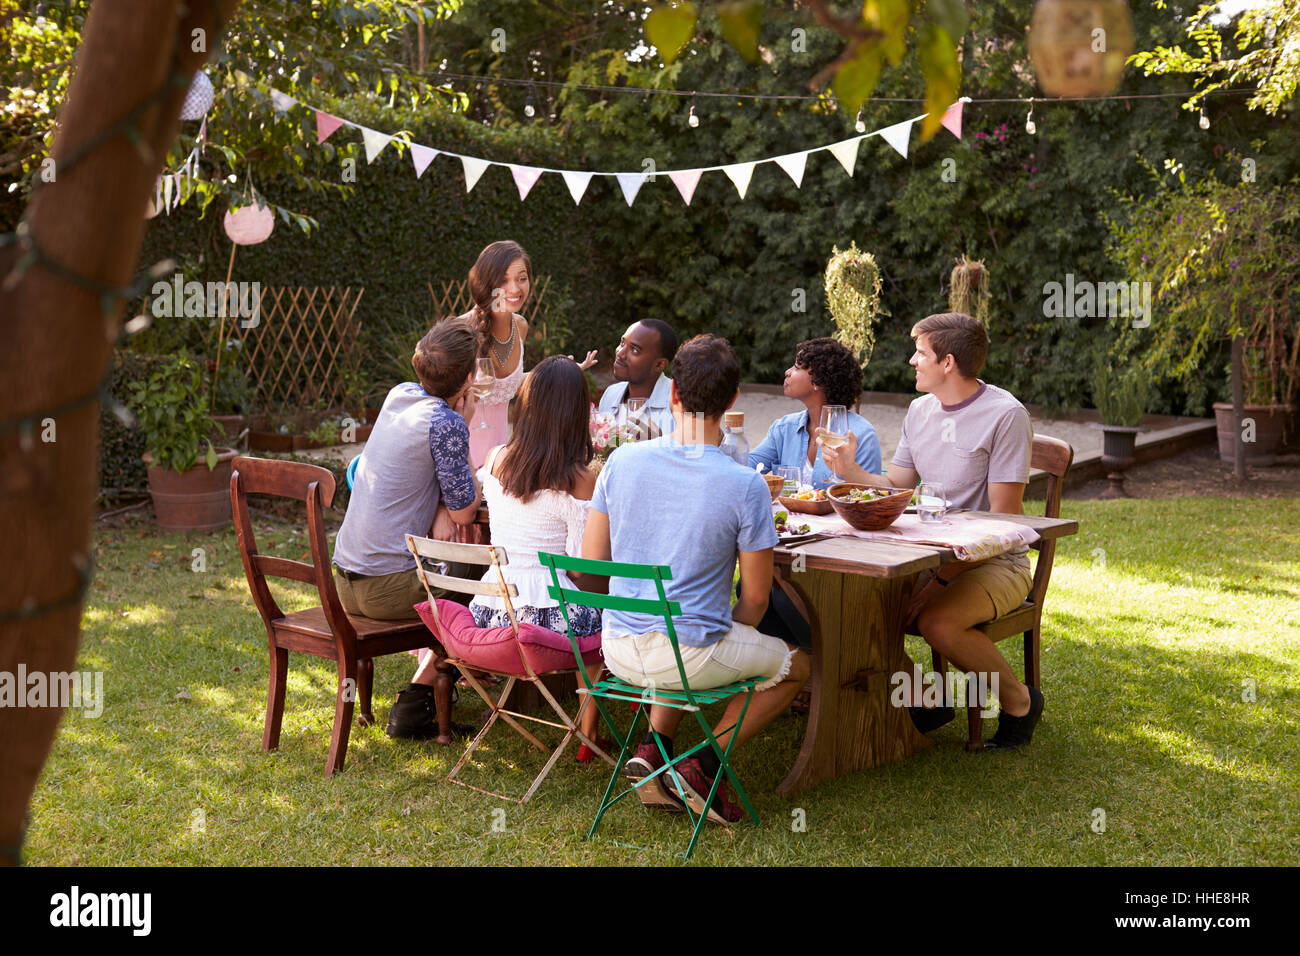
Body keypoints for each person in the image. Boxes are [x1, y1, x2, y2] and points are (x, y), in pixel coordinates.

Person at [583, 335, 811, 824]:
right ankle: (703, 763)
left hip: (617, 647)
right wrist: (720, 628)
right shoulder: (745, 484)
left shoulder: (621, 461)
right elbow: (754, 599)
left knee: (680, 626)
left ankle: (654, 744)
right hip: (686, 653)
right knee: (797, 668)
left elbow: (590, 564)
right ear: (732, 403)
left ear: (673, 395)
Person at [820, 312, 1042, 749]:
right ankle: (929, 698)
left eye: (920, 352)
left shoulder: (1005, 415)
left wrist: (941, 580)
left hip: (996, 562)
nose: (911, 361)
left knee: (937, 622)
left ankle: (1020, 701)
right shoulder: (920, 410)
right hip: (929, 552)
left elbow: (1002, 522)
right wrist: (849, 469)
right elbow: (896, 487)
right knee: (851, 603)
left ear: (948, 363)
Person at [332, 317, 483, 739]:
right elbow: (467, 512)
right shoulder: (447, 423)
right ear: (468, 378)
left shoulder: (399, 396)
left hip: (346, 584)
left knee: (463, 567)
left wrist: (437, 501)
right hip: (385, 591)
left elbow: (418, 475)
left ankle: (447, 681)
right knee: (484, 569)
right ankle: (419, 704)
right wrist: (465, 424)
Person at [473, 356, 608, 759]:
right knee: (610, 608)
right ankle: (588, 730)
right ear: (575, 414)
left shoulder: (497, 458)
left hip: (494, 609)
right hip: (548, 621)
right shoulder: (582, 478)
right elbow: (582, 565)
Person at [458, 240, 597, 467]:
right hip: (461, 451)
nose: (515, 289)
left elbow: (508, 383)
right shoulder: (462, 330)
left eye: (522, 279)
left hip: (499, 452)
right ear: (486, 282)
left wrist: (561, 373)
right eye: (503, 280)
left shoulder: (520, 326)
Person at [749, 336, 882, 487]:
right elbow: (746, 468)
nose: (787, 372)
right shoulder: (783, 428)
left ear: (819, 380)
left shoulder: (861, 435)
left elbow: (872, 496)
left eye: (797, 367)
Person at [595, 319, 677, 437]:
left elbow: (699, 453)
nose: (620, 353)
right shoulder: (611, 394)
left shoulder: (685, 403)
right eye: (622, 343)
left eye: (634, 350)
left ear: (659, 365)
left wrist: (657, 446)